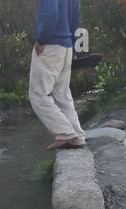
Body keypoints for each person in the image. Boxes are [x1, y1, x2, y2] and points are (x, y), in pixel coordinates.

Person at [30, 0, 86, 150]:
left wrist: (41, 39)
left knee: (38, 95)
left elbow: (51, 13)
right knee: (63, 95)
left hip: (50, 46)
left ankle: (66, 133)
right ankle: (77, 137)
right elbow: (75, 18)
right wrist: (73, 46)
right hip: (66, 47)